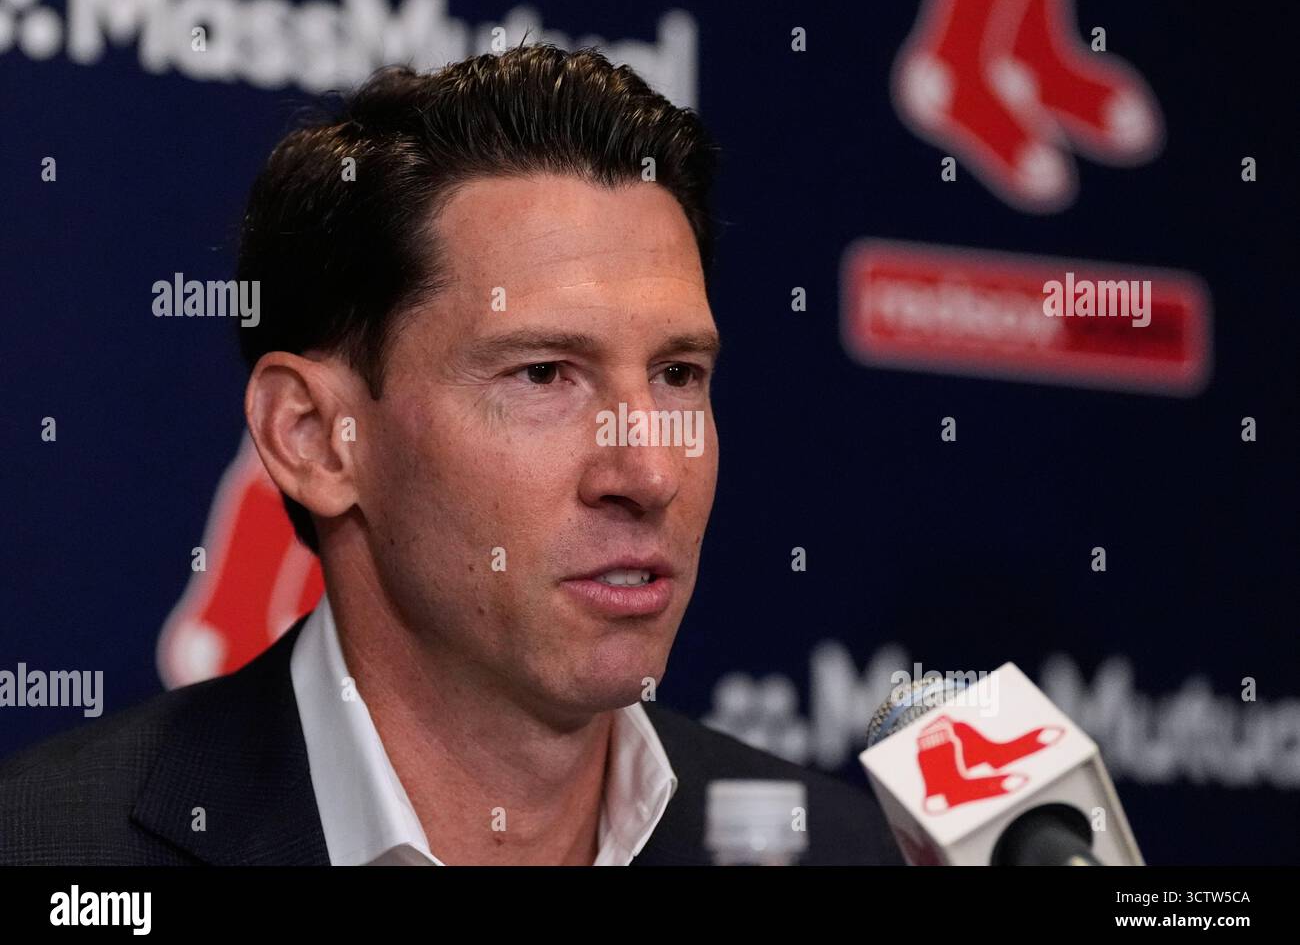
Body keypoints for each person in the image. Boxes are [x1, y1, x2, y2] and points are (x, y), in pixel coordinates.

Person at [0, 44, 900, 866]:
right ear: (312, 437)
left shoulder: (836, 850)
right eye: (545, 374)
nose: (649, 472)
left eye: (676, 374)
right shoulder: (52, 854)